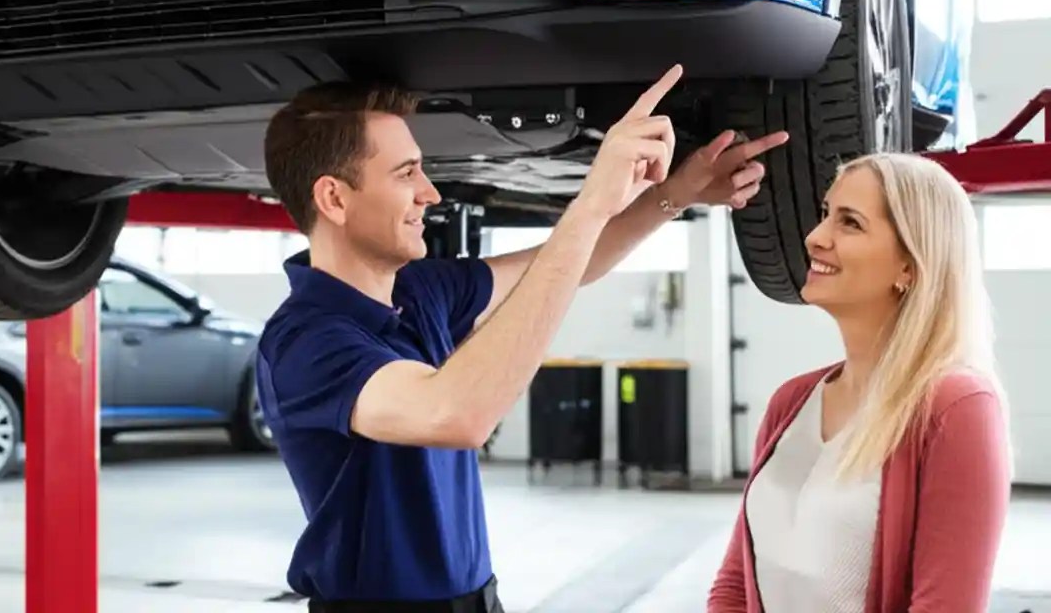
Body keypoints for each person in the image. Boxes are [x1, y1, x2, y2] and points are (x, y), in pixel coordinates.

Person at [255, 64, 789, 612]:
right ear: (335, 199)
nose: (430, 193)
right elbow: (452, 414)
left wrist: (680, 191)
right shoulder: (305, 341)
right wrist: (589, 203)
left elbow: (568, 264)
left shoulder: (422, 291)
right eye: (406, 173)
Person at [707, 152, 1013, 613]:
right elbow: (734, 584)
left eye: (849, 223)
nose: (814, 237)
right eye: (826, 214)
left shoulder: (956, 406)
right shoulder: (791, 402)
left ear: (909, 266)